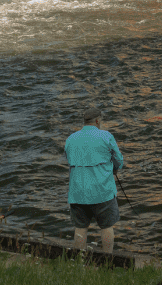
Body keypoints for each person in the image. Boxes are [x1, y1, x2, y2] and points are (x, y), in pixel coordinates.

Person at [65, 107, 124, 254]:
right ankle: (107, 259)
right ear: (98, 120)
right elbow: (119, 161)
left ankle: (78, 261)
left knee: (80, 228)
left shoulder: (71, 139)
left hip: (78, 191)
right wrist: (114, 169)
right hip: (102, 191)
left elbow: (69, 159)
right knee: (106, 227)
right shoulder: (106, 136)